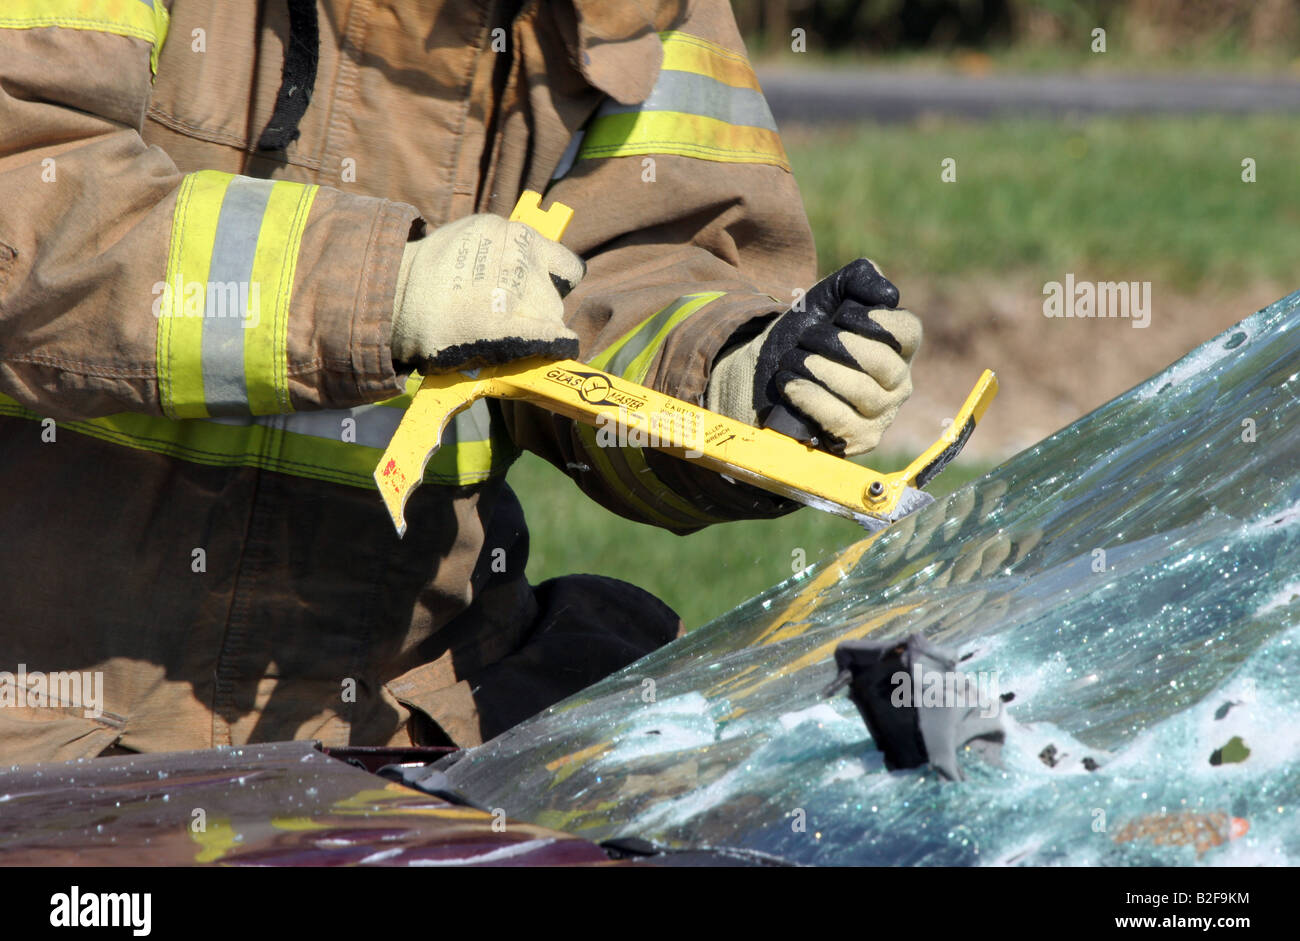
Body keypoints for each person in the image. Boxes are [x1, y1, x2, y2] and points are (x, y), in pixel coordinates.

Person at [0, 0, 921, 763]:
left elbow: (637, 264)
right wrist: (378, 292)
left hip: (398, 741)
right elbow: (28, 197)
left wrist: (728, 378)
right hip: (50, 732)